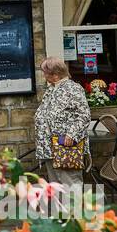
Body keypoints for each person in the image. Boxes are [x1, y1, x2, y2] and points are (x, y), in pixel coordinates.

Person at [34, 57, 91, 190]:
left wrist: (71, 135)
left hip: (65, 145)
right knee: (55, 186)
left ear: (55, 74)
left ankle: (75, 211)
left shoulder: (73, 89)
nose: (44, 75)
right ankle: (61, 211)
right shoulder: (52, 88)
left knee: (70, 184)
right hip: (49, 146)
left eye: (45, 73)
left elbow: (84, 115)